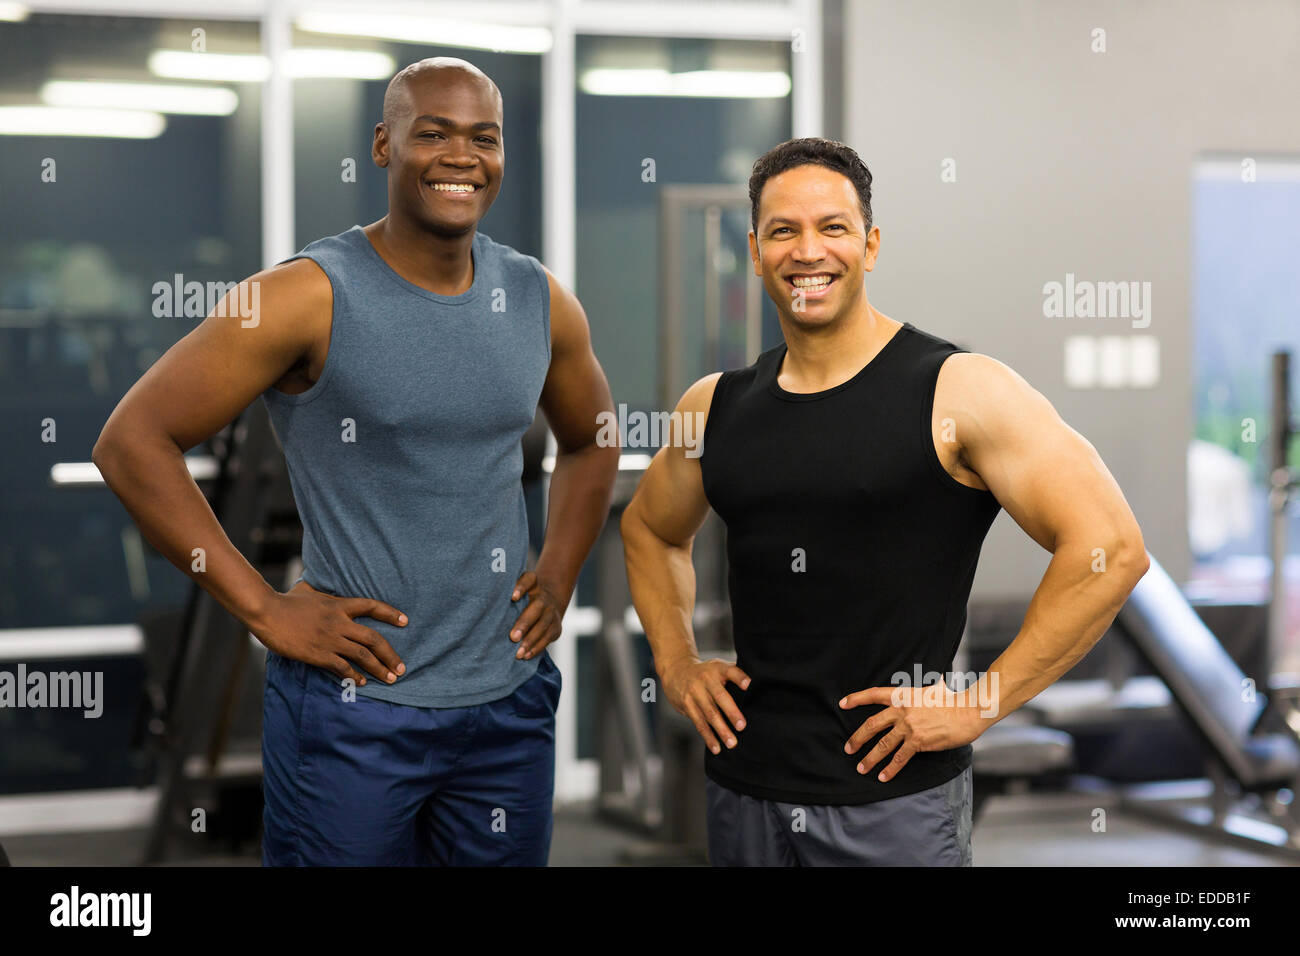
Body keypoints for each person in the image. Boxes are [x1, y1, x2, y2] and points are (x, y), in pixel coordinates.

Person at [93, 57, 620, 865]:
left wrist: (559, 569)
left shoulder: (536, 297)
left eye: (484, 137)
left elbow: (592, 439)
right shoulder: (304, 295)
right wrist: (266, 610)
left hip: (506, 705)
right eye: (432, 133)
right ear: (383, 145)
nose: (461, 157)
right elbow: (132, 442)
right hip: (356, 712)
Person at [620, 137, 1149, 866]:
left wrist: (979, 703)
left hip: (892, 802)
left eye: (832, 227)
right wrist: (676, 664)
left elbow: (1111, 548)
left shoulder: (958, 390)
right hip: (744, 789)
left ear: (869, 245)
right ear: (754, 250)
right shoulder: (713, 407)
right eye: (783, 231)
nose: (809, 251)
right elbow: (649, 529)